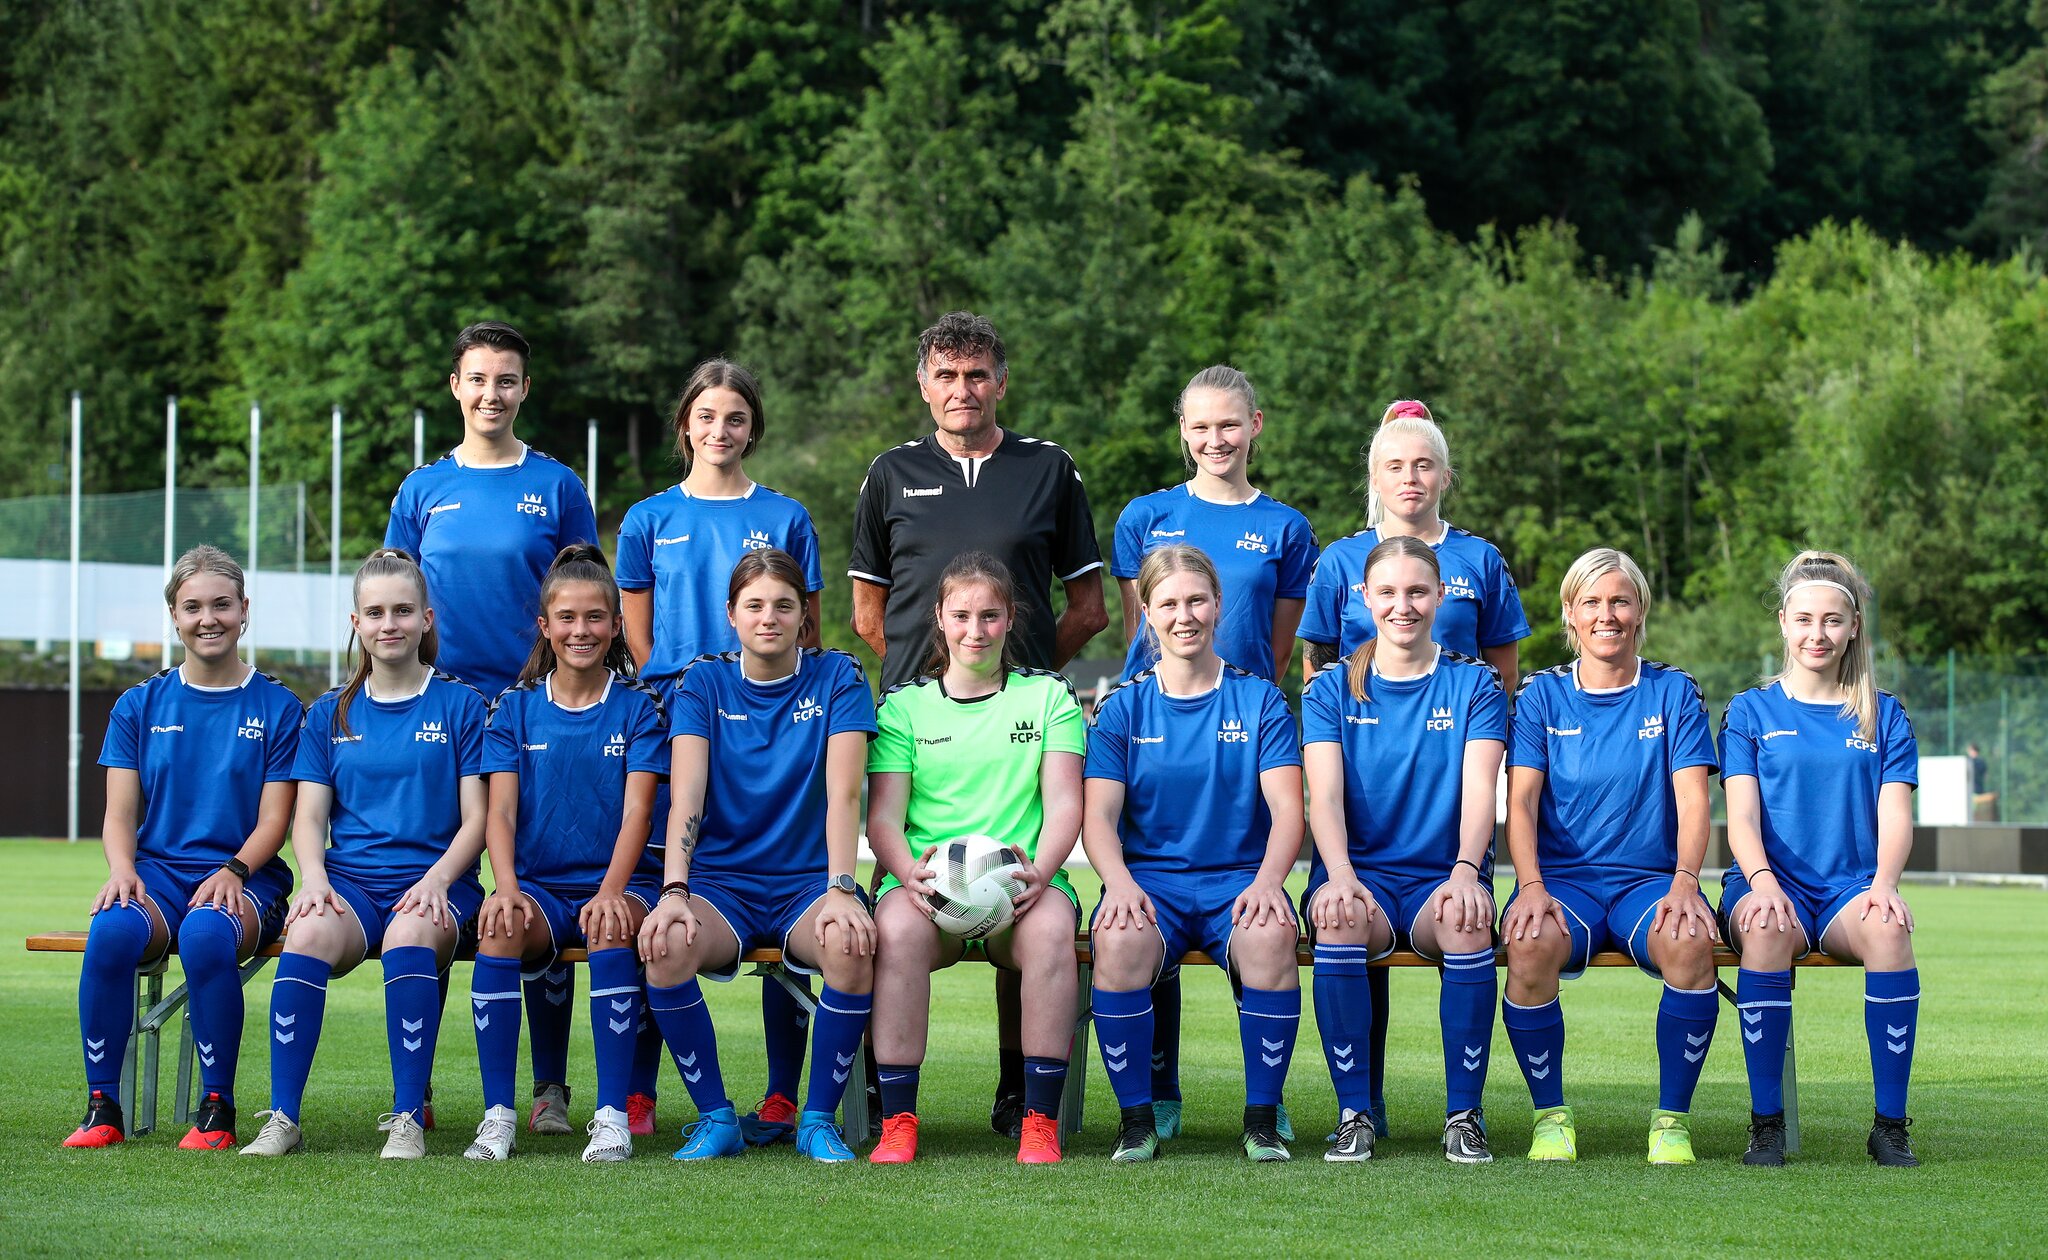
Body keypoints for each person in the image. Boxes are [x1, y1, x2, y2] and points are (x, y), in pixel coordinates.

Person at [849, 310, 1108, 1135]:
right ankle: (894, 1107)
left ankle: (1016, 1093)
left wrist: (1024, 672)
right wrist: (935, 675)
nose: (962, 390)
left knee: (1016, 887)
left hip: (1019, 713)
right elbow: (868, 613)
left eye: (977, 375)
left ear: (1001, 381)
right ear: (923, 384)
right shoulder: (890, 473)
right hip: (923, 723)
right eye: (946, 375)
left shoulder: (1048, 468)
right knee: (930, 895)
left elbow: (1089, 608)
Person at [384, 320, 599, 1132]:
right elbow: (393, 601)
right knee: (432, 887)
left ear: (524, 390)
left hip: (528, 711)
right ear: (455, 387)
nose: (491, 394)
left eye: (506, 380)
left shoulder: (556, 484)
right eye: (477, 379)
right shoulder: (421, 490)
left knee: (535, 878)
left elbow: (582, 594)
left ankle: (549, 1090)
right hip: (440, 711)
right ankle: (421, 1090)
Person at [1298, 399, 1529, 1137]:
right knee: (1339, 921)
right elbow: (1323, 789)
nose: (1403, 605)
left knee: (1465, 921)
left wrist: (1468, 868)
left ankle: (1465, 1114)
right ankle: (1356, 1113)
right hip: (1356, 864)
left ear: (1441, 595)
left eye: (1423, 463)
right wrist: (1335, 873)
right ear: (1363, 599)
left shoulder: (1473, 673)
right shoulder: (1332, 676)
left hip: (1440, 867)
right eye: (1394, 464)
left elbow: (1490, 737)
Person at [617, 358, 825, 1146]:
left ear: (751, 429)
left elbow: (807, 627)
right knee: (657, 895)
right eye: (706, 417)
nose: (720, 430)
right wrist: (673, 692)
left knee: (787, 879)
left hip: (766, 710)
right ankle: (639, 1092)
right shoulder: (647, 519)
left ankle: (781, 1095)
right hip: (680, 720)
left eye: (735, 418)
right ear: (685, 427)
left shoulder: (786, 515)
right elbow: (639, 637)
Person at [1109, 367, 1318, 1139]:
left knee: (1253, 918)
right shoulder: (1146, 516)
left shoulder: (1287, 528)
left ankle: (1268, 1096)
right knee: (1144, 917)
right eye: (1199, 427)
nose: (1214, 440)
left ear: (1255, 426)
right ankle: (1157, 1094)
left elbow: (1276, 639)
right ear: (1183, 431)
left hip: (1243, 727)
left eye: (1229, 425)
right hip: (1157, 730)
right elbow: (1141, 629)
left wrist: (1236, 701)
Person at [241, 549, 490, 1159]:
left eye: (403, 611)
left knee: (409, 935)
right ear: (355, 623)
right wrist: (314, 880)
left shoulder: (461, 705)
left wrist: (436, 880)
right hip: (350, 882)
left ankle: (408, 1117)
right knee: (304, 936)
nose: (389, 624)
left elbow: (480, 819)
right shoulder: (329, 712)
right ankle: (282, 1118)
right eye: (375, 612)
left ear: (427, 618)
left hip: (440, 881)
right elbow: (310, 816)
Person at [638, 550, 877, 1162]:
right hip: (724, 888)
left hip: (807, 886)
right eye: (754, 605)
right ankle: (715, 1117)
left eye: (783, 605)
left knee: (849, 947)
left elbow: (843, 792)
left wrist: (842, 889)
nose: (768, 618)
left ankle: (817, 1120)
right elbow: (685, 794)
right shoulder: (703, 681)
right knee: (664, 946)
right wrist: (673, 892)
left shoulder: (839, 676)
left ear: (803, 615)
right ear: (731, 615)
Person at [65, 546, 302, 1150]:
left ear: (244, 610)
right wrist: (122, 870)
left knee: (204, 933)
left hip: (248, 876)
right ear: (173, 615)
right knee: (112, 933)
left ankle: (216, 1108)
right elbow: (118, 814)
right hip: (159, 873)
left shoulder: (277, 706)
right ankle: (103, 1107)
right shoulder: (139, 705)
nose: (208, 618)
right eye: (192, 606)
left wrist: (234, 870)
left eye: (222, 605)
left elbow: (277, 819)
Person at [1082, 545, 1304, 1163]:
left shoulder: (1260, 701)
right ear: (1145, 612)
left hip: (1239, 880)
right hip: (1151, 884)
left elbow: (1289, 810)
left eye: (1197, 600)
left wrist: (1266, 884)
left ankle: (1262, 1117)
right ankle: (1136, 1121)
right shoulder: (1122, 706)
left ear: (1218, 606)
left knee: (1266, 938)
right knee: (1121, 941)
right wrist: (1120, 884)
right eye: (1169, 603)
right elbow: (1097, 815)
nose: (1185, 615)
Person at [1500, 547, 1720, 1164]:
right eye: (1592, 602)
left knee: (1689, 944)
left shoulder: (1673, 691)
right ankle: (1551, 1117)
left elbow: (1695, 802)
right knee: (1530, 943)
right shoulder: (1542, 696)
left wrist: (1684, 884)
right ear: (1571, 612)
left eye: (1620, 601)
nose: (1607, 615)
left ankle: (1672, 1121)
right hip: (1563, 884)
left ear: (1640, 610)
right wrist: (1532, 886)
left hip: (1650, 883)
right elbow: (1520, 806)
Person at [865, 552, 1086, 1164]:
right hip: (928, 887)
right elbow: (882, 817)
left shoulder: (1047, 698)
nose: (975, 630)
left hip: (1024, 886)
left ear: (1011, 619)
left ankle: (1039, 1120)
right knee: (898, 935)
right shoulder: (904, 708)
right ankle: (899, 1121)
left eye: (990, 616)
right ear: (939, 618)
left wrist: (1041, 871)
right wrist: (906, 873)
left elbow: (1067, 802)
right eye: (961, 615)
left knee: (1049, 938)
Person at [1719, 551, 1923, 1167]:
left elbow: (1895, 813)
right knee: (1766, 925)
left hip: (1848, 890)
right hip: (1765, 882)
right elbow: (1742, 818)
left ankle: (1890, 1127)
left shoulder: (1883, 714)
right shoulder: (1750, 712)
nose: (1818, 633)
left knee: (1890, 930)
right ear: (1783, 621)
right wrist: (1760, 882)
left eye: (1832, 621)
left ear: (1854, 626)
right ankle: (1767, 1124)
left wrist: (1885, 883)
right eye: (1805, 619)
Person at [467, 545, 668, 1163]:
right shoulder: (514, 709)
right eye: (568, 618)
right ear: (545, 626)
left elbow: (638, 812)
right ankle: (498, 1114)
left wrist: (611, 891)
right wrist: (504, 887)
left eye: (595, 618)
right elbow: (498, 813)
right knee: (500, 931)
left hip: (622, 883)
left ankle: (611, 1116)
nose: (581, 630)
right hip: (540, 886)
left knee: (610, 930)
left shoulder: (639, 707)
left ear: (614, 627)